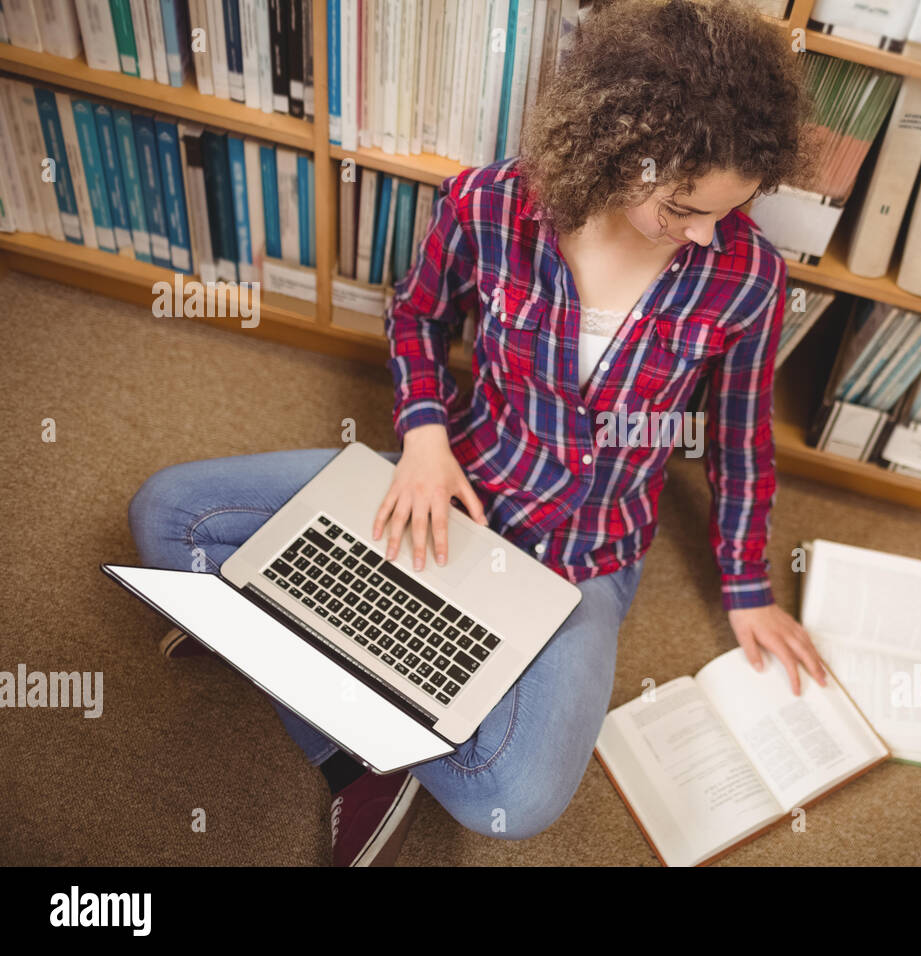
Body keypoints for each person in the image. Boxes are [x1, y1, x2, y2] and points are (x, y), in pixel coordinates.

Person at [127, 0, 826, 866]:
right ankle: (361, 752)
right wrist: (423, 437)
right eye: (684, 207)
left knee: (516, 798)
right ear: (622, 143)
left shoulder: (749, 278)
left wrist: (748, 587)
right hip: (453, 482)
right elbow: (418, 314)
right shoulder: (492, 201)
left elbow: (739, 438)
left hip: (589, 554)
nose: (705, 233)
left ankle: (306, 655)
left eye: (727, 209)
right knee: (170, 520)